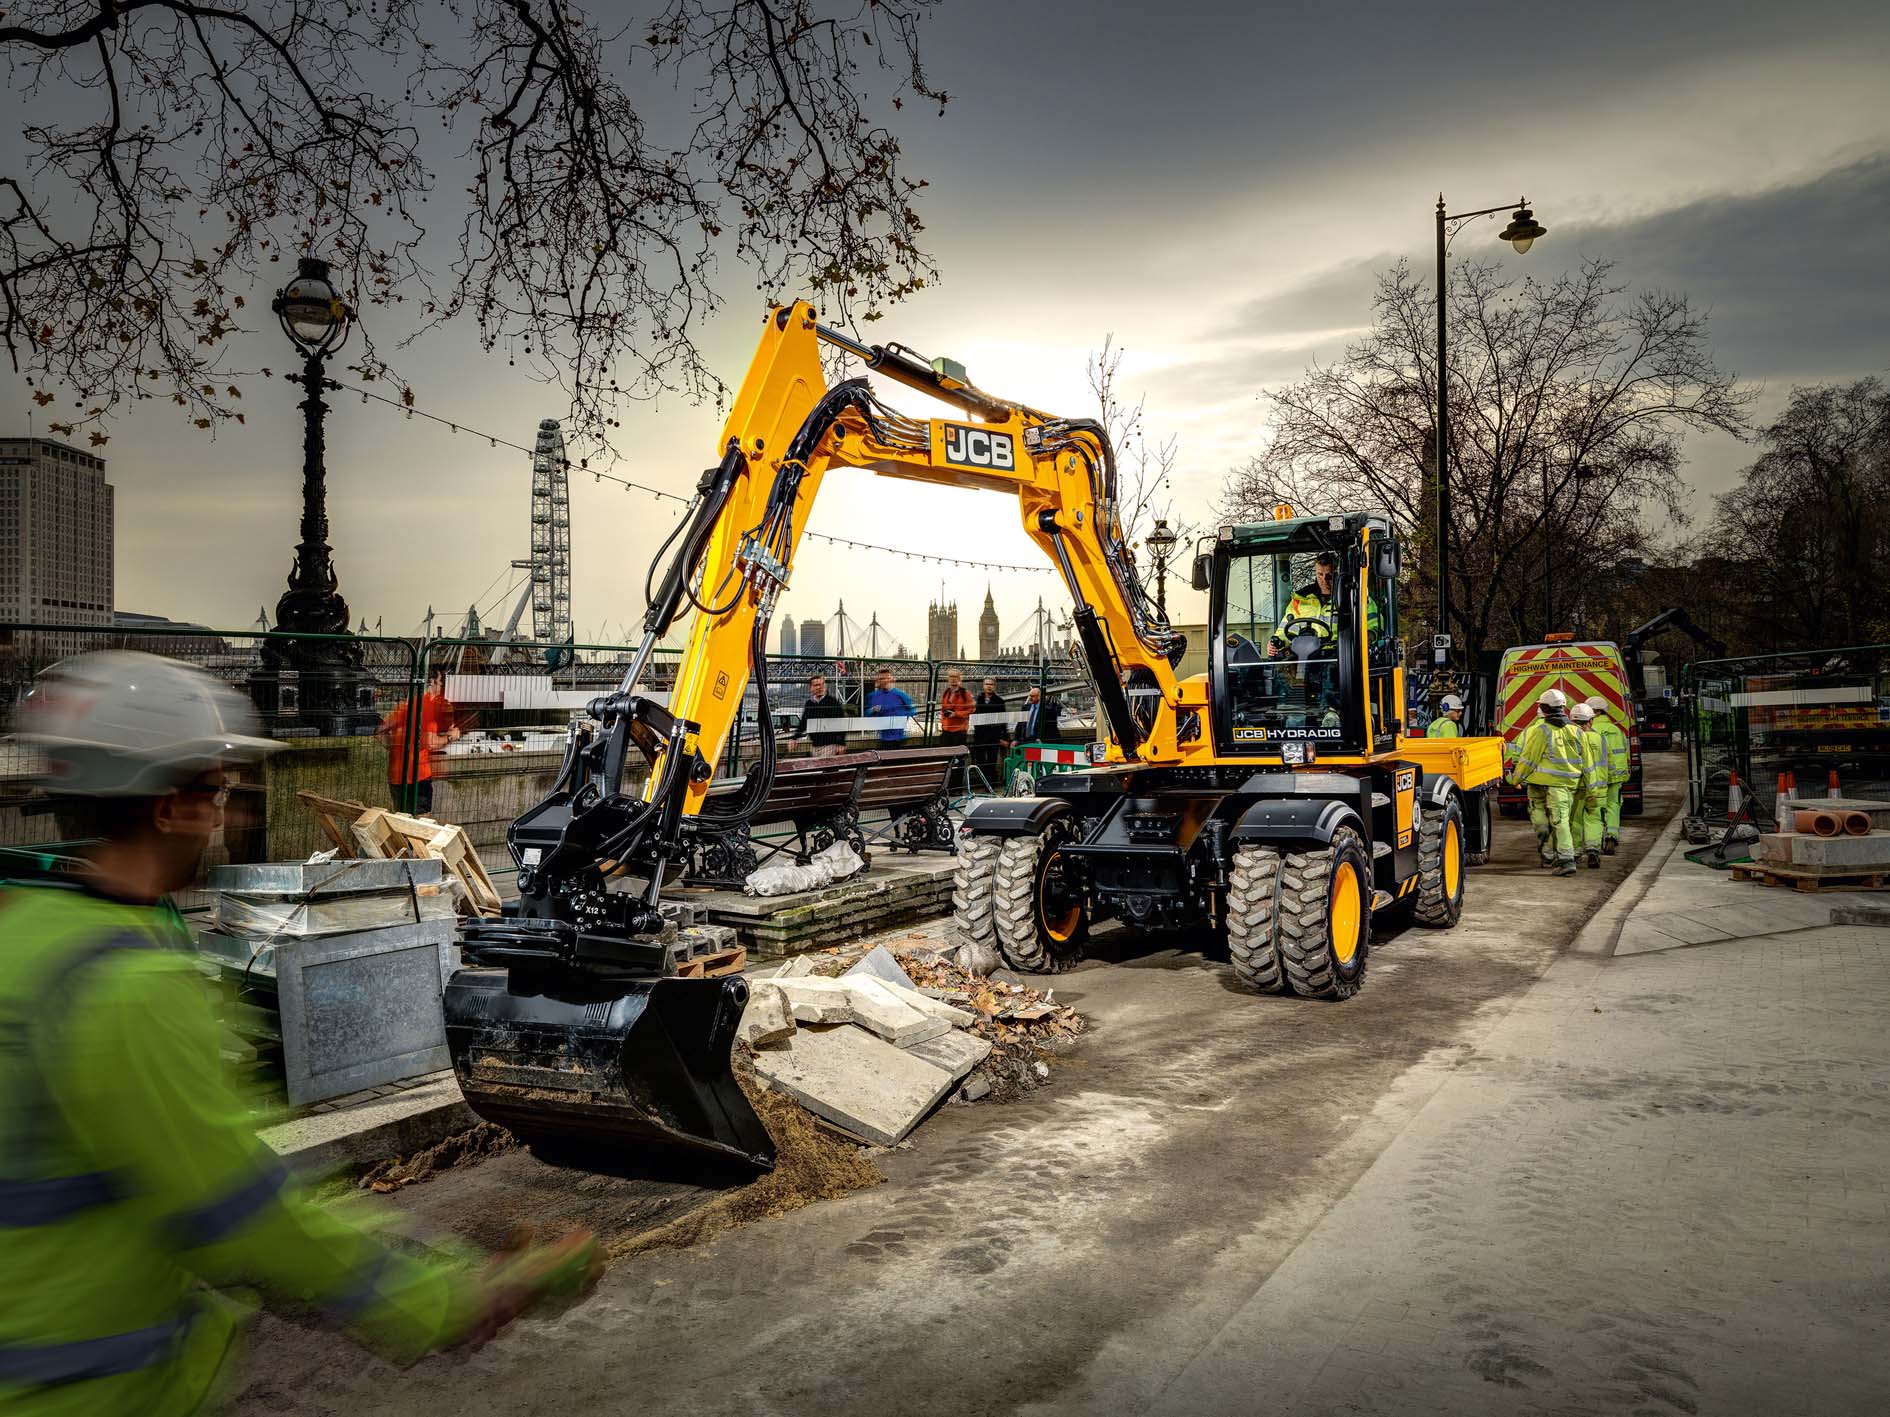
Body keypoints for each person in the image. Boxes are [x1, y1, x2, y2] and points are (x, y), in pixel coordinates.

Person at [2, 651, 598, 1416]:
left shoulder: (25, 936)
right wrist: (457, 1298)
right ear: (167, 806)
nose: (226, 815)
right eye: (215, 791)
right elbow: (247, 1219)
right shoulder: (127, 988)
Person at [1506, 686, 1584, 876]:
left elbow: (1528, 759)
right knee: (1553, 821)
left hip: (1552, 786)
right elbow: (1586, 760)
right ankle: (1550, 855)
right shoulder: (1576, 731)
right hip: (1556, 786)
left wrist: (1514, 779)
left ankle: (1565, 859)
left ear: (1545, 709)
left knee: (1554, 821)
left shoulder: (1542, 731)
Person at [379, 668, 459, 815]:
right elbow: (430, 743)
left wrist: (397, 747)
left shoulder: (406, 705)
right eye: (441, 682)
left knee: (401, 821)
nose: (442, 687)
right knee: (422, 824)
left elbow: (380, 731)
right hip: (417, 775)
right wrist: (450, 736)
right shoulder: (427, 706)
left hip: (396, 776)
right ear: (432, 682)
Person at [1586, 695, 1631, 855]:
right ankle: (1611, 836)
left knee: (1596, 810)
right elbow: (1626, 752)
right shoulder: (1617, 730)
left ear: (1594, 713)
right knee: (1613, 806)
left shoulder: (1591, 731)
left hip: (1599, 777)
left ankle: (1594, 843)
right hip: (1617, 776)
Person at [1568, 701, 1607, 869]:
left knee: (1575, 821)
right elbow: (1607, 762)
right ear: (1590, 720)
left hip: (1576, 787)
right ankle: (1593, 849)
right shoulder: (1599, 738)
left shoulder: (1569, 738)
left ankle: (1576, 853)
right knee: (1594, 819)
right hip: (1597, 786)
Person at [970, 676, 1009, 793]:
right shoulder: (979, 699)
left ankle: (990, 786)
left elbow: (1003, 721)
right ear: (983, 686)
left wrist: (1004, 738)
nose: (989, 686)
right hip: (980, 737)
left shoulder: (999, 701)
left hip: (993, 737)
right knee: (981, 761)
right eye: (987, 684)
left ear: (994, 686)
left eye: (991, 684)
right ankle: (983, 783)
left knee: (992, 762)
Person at [937, 668, 974, 789]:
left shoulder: (965, 693)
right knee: (945, 759)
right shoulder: (946, 692)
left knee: (958, 760)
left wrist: (956, 714)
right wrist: (943, 723)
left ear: (960, 679)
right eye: (951, 677)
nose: (953, 679)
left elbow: (971, 709)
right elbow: (943, 710)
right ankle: (946, 785)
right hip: (946, 731)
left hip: (959, 731)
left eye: (955, 677)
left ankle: (956, 787)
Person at [798, 672, 847, 755]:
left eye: (821, 684)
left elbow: (841, 723)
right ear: (811, 688)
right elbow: (804, 722)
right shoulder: (809, 703)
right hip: (814, 746)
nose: (819, 687)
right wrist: (795, 737)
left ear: (825, 686)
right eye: (816, 685)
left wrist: (841, 743)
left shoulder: (832, 702)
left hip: (830, 745)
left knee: (826, 766)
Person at [865, 667, 914, 745]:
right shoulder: (872, 696)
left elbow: (912, 710)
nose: (885, 681)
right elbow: (866, 714)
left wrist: (901, 719)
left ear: (892, 679)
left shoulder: (901, 695)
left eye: (887, 678)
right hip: (881, 738)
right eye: (882, 679)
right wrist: (873, 710)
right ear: (878, 681)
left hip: (900, 737)